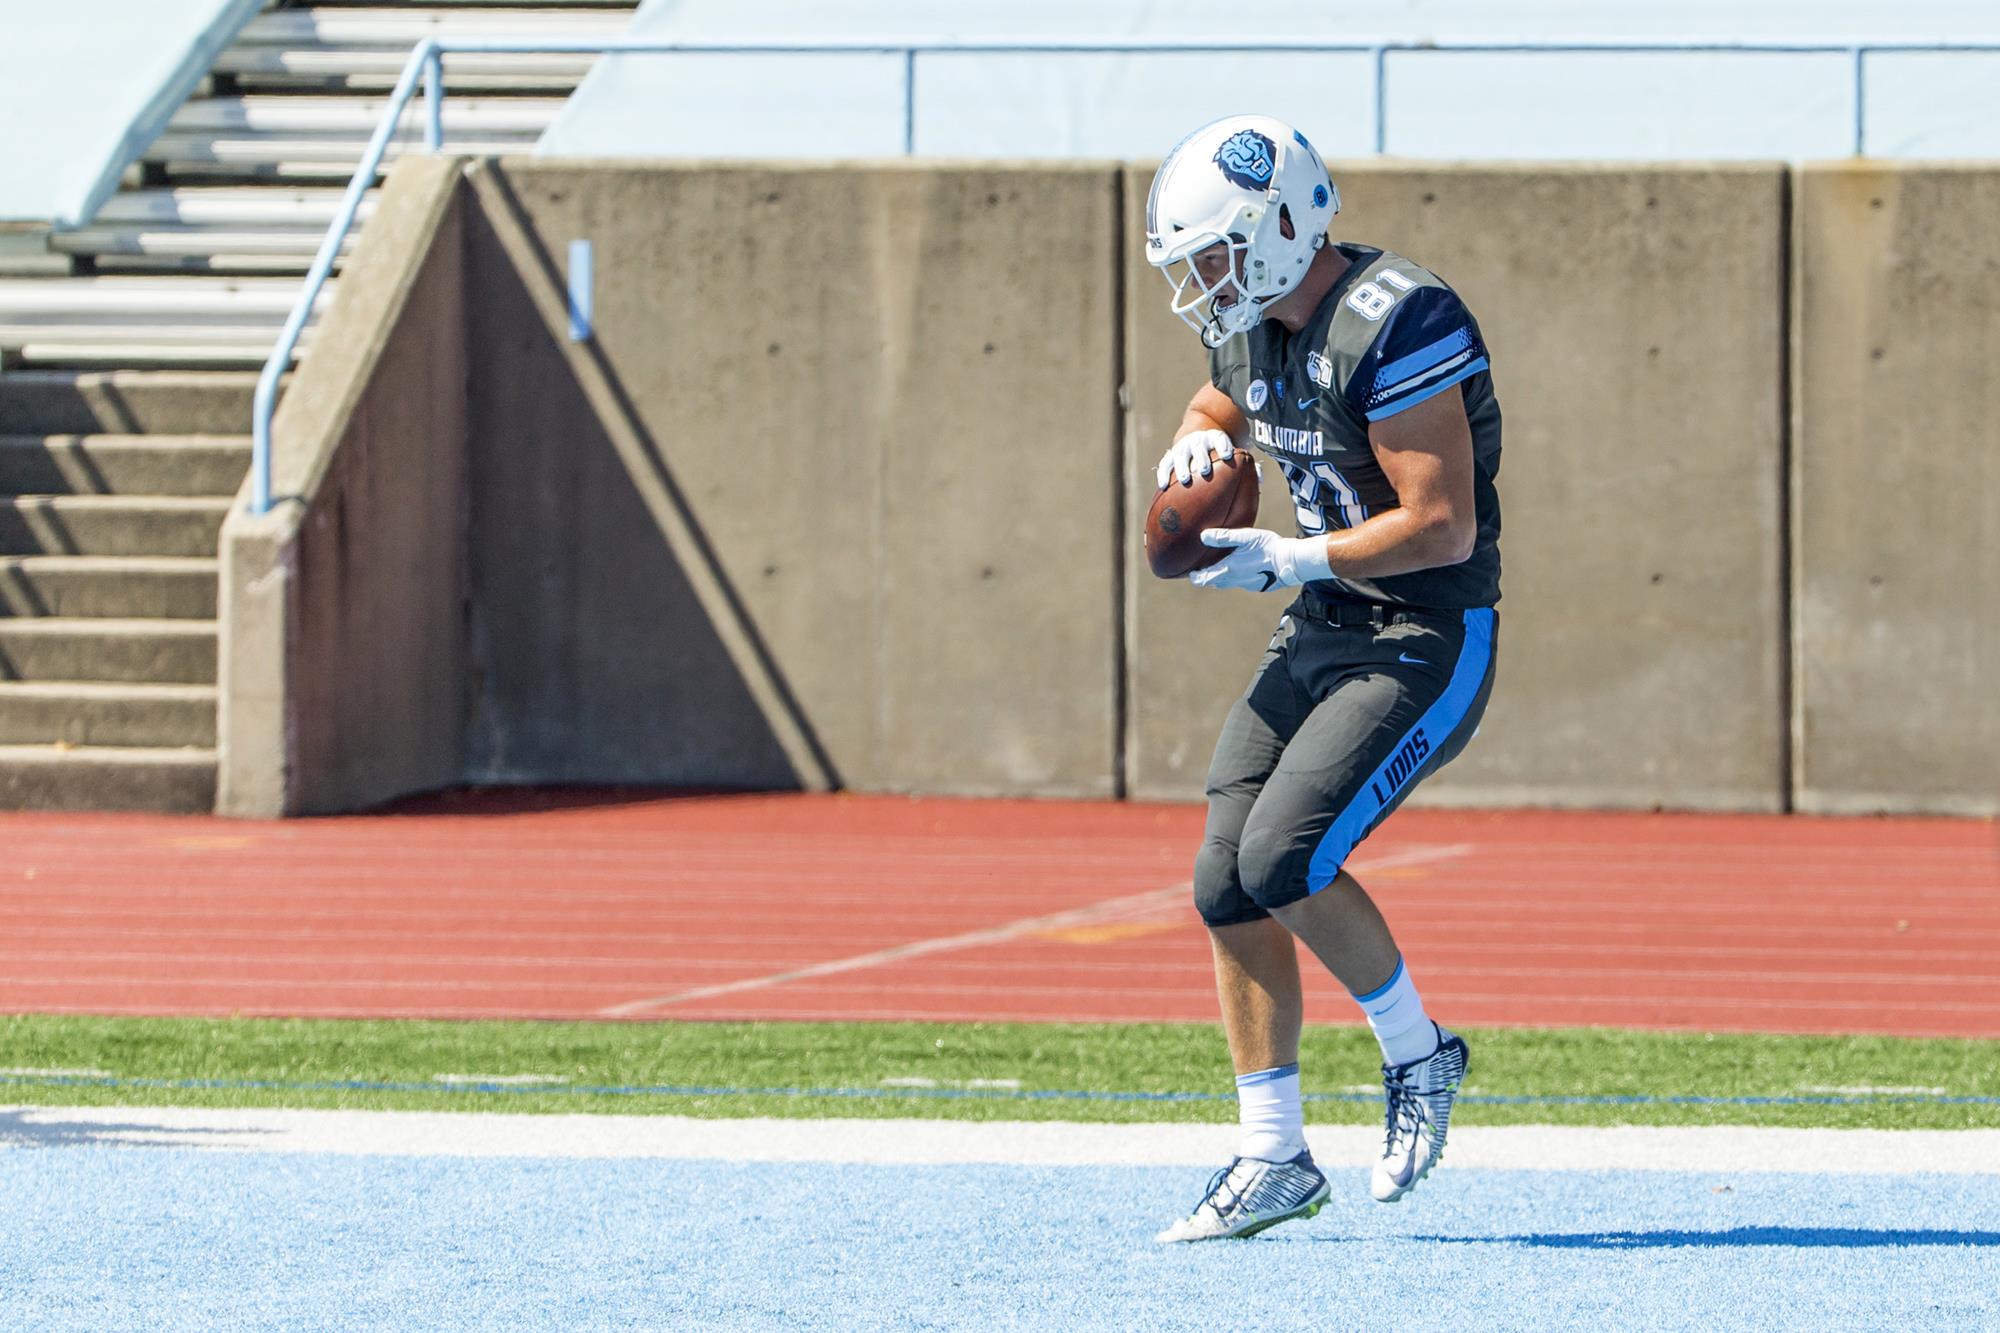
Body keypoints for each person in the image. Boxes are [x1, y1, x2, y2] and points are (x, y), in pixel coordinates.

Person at [1144, 114, 1503, 1243]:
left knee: (1286, 856)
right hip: (1327, 620)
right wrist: (1189, 443)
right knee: (1222, 880)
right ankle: (1273, 1153)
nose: (1204, 285)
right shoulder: (1252, 325)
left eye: (1213, 255)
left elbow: (1440, 526)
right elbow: (1224, 400)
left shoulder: (1397, 317)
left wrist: (1288, 556)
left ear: (1280, 229)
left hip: (1423, 632)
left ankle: (1418, 1054)